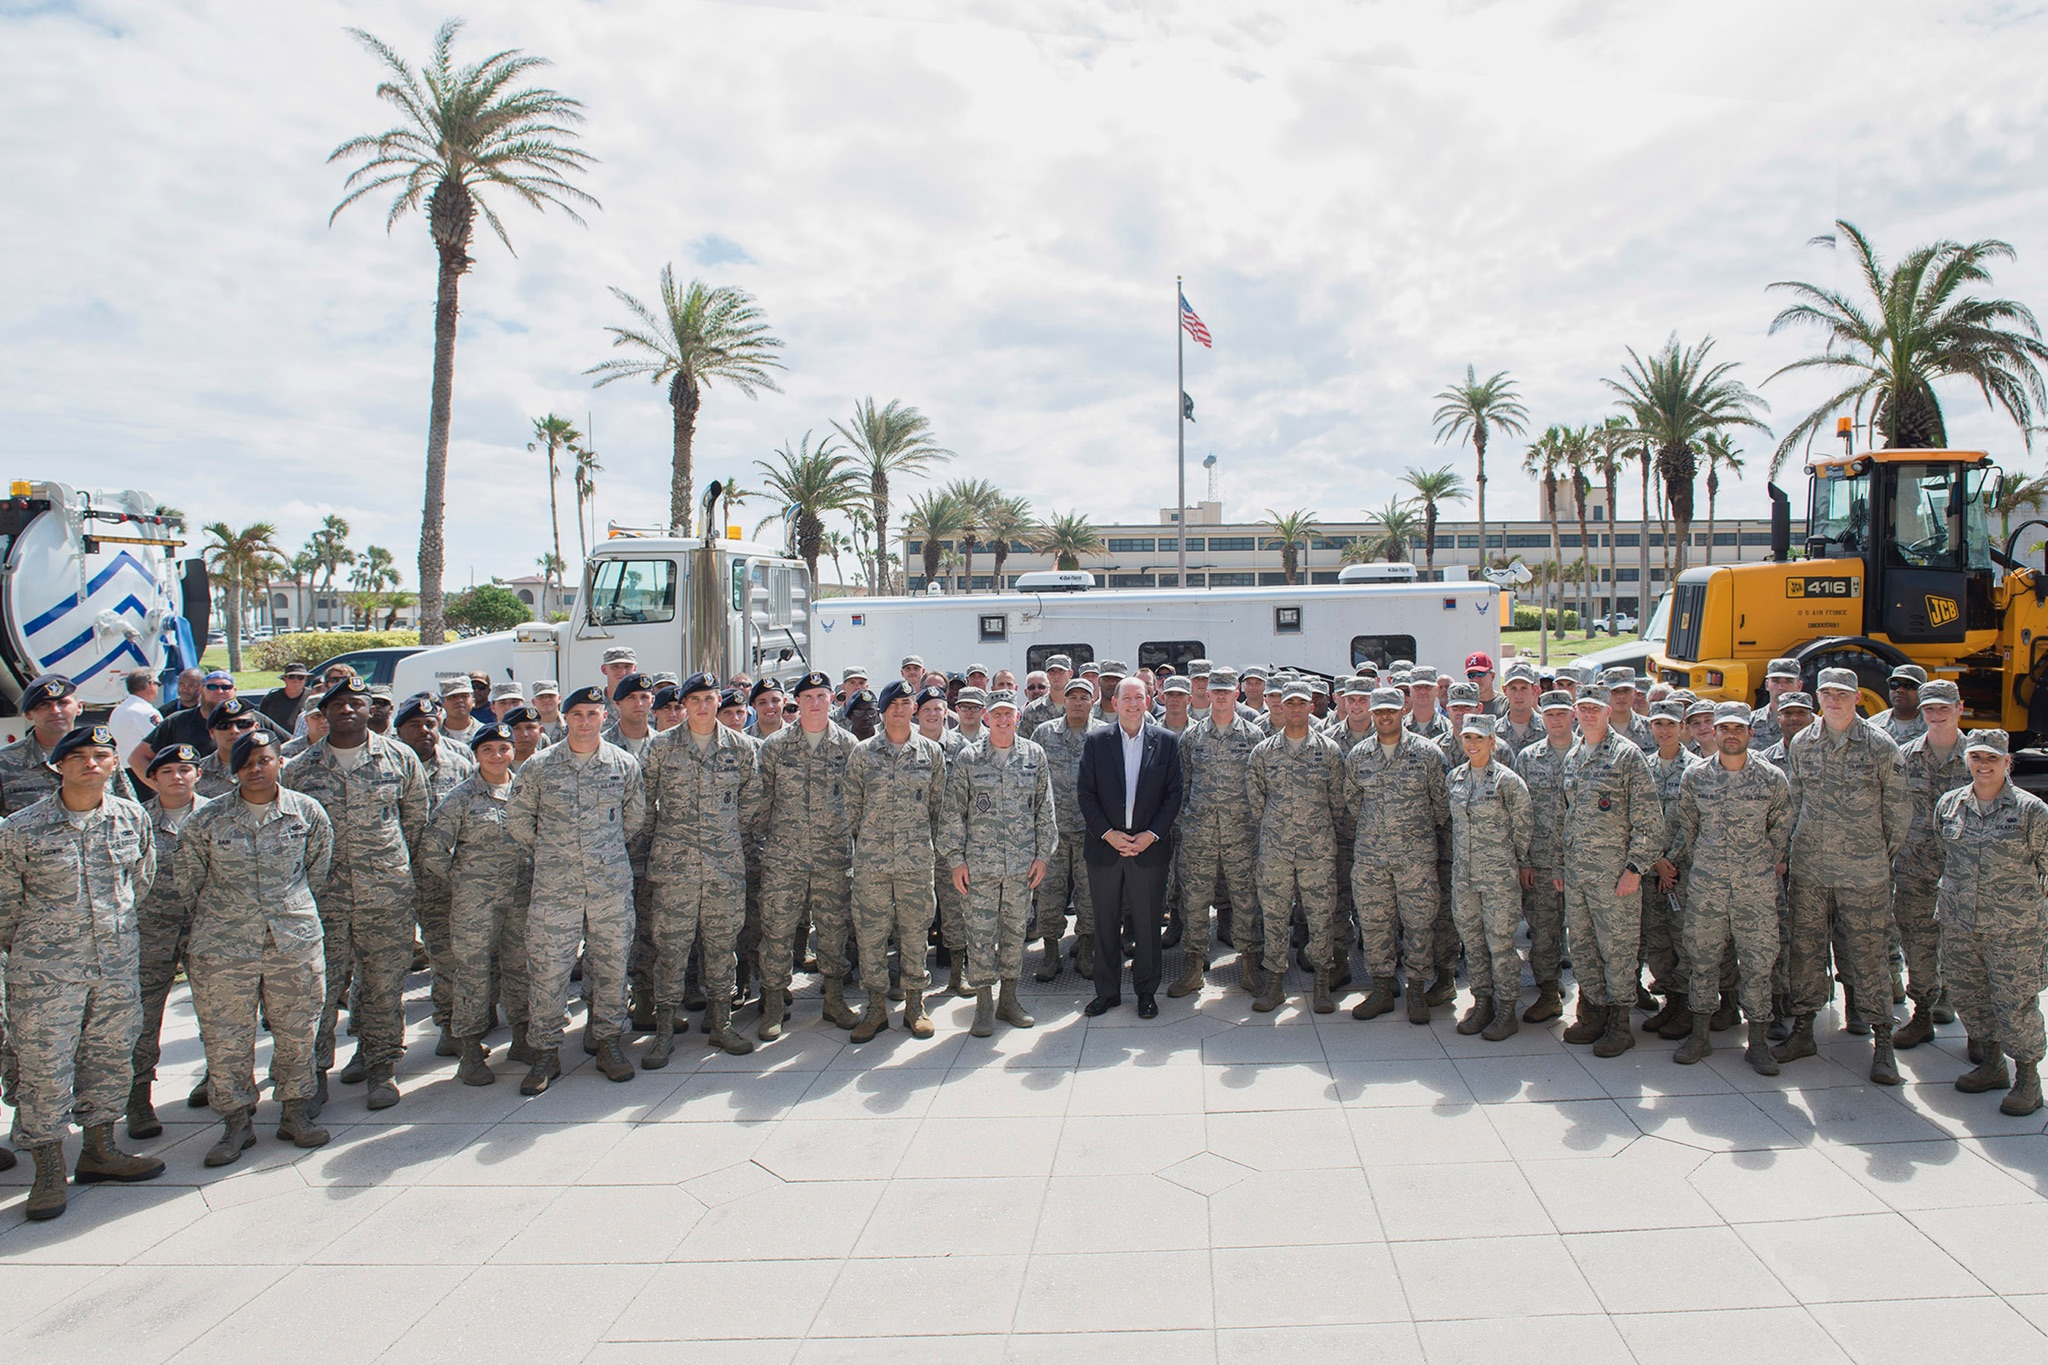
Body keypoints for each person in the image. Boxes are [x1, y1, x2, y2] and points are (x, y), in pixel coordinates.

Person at [0, 725, 161, 1220]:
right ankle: (48, 1169)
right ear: (58, 766)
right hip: (45, 973)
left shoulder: (132, 817)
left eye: (102, 755)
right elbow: (5, 904)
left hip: (113, 964)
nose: (92, 763)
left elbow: (141, 880)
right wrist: (39, 949)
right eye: (80, 756)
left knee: (109, 1056)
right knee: (45, 1068)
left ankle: (99, 1151)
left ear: (115, 764)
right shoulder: (21, 828)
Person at [178, 730, 334, 1166]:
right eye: (246, 761)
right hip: (224, 946)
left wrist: (288, 910)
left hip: (292, 941)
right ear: (233, 768)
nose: (256, 767)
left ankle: (295, 1112)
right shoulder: (207, 820)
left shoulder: (306, 813)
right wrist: (229, 917)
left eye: (265, 759)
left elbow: (316, 871)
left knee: (297, 1029)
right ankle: (235, 1122)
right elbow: (190, 882)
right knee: (227, 1037)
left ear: (280, 761)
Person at [280, 676, 429, 1114]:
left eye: (356, 703)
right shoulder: (299, 769)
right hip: (323, 901)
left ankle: (381, 1067)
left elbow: (416, 821)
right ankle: (314, 1075)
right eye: (337, 703)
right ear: (322, 714)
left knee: (383, 986)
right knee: (320, 991)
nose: (347, 709)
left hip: (386, 897)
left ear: (370, 710)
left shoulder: (399, 758)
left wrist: (400, 874)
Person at [504, 684, 645, 1094]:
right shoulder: (540, 766)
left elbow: (634, 820)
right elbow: (518, 819)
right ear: (566, 718)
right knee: (549, 971)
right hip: (555, 887)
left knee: (611, 966)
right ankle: (546, 1051)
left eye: (593, 713)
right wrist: (552, 852)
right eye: (578, 714)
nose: (585, 721)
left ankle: (607, 1043)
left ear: (606, 717)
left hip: (609, 886)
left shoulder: (622, 765)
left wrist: (604, 852)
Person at [1775, 667, 1910, 1080]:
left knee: (1868, 955)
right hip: (1811, 870)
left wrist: (1874, 856)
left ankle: (1882, 1038)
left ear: (1857, 699)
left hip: (1862, 874)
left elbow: (1898, 813)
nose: (1833, 700)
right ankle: (1804, 1028)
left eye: (1841, 694)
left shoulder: (1880, 746)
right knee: (1806, 952)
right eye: (1826, 693)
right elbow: (1793, 803)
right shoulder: (1803, 743)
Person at [638, 672, 761, 1062]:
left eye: (710, 699)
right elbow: (644, 807)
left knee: (722, 947)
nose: (704, 707)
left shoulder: (740, 748)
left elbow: (751, 802)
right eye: (695, 701)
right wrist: (666, 844)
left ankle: (721, 1024)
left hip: (724, 867)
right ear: (683, 706)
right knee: (671, 950)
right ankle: (663, 1031)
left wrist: (724, 836)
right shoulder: (661, 747)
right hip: (675, 870)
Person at [1668, 702, 1792, 1073]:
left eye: (1739, 729)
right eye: (1724, 729)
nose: (1731, 735)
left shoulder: (1771, 779)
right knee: (1702, 959)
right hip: (1707, 886)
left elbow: (1781, 829)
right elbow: (1689, 826)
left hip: (1755, 888)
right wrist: (1710, 862)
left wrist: (1754, 864)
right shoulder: (1696, 776)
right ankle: (1701, 1035)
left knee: (1758, 963)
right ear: (1715, 734)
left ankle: (1757, 1042)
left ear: (1751, 734)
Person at [1938, 729, 2048, 1116]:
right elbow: (1944, 854)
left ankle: (2028, 1078)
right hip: (1959, 922)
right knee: (1969, 996)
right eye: (1977, 757)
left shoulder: (2031, 810)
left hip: (2013, 929)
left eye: (1992, 758)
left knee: (2014, 1004)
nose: (1983, 765)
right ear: (1967, 760)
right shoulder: (1950, 805)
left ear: (2007, 762)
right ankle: (1992, 1063)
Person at [419, 722, 533, 1085]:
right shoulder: (461, 797)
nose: (497, 756)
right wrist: (464, 880)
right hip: (476, 904)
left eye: (504, 748)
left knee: (520, 969)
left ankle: (521, 1038)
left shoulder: (526, 790)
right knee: (472, 974)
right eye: (488, 750)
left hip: (520, 895)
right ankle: (469, 1049)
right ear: (476, 755)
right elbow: (433, 851)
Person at [1555, 685, 1664, 1059]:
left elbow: (1650, 822)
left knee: (1617, 950)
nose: (1587, 714)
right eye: (1582, 708)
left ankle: (1620, 1023)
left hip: (1614, 877)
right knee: (1583, 947)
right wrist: (1561, 866)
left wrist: (1635, 869)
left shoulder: (1627, 756)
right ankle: (1595, 1014)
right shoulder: (1573, 756)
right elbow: (1564, 817)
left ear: (1607, 711)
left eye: (1594, 708)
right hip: (1579, 876)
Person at [942, 690, 1056, 1037]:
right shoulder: (969, 758)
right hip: (980, 867)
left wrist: (1042, 855)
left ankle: (1009, 999)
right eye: (997, 715)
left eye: (1009, 714)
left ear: (1017, 718)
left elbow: (1044, 809)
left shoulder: (1033, 755)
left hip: (1021, 866)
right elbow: (952, 812)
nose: (1003, 720)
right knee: (979, 935)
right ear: (987, 718)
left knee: (1014, 933)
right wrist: (955, 861)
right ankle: (983, 1006)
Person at [754, 671, 859, 1039]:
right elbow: (760, 804)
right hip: (785, 857)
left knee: (833, 930)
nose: (816, 702)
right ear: (796, 702)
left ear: (832, 700)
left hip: (833, 856)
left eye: (822, 696)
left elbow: (857, 801)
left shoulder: (847, 746)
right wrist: (770, 846)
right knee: (778, 931)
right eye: (809, 696)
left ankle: (833, 999)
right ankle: (773, 1004)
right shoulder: (776, 746)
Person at [844, 681, 948, 1041]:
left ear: (914, 708)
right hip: (872, 863)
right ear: (883, 711)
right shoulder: (862, 753)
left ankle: (915, 1005)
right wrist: (870, 842)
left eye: (907, 703)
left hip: (916, 861)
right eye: (894, 705)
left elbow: (937, 808)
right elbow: (852, 810)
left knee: (915, 933)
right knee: (871, 935)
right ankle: (874, 1009)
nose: (901, 710)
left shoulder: (931, 753)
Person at [1076, 677, 1183, 1018]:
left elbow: (1173, 795)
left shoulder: (1166, 742)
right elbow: (1086, 794)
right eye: (1127, 698)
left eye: (1140, 697)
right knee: (1105, 923)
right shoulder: (1096, 741)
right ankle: (1107, 992)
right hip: (1106, 848)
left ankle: (1146, 992)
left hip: (1148, 849)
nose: (1133, 703)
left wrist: (1151, 835)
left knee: (1149, 924)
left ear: (1149, 701)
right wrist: (1108, 833)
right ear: (1115, 702)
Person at [1346, 687, 1451, 1023]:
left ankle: (1417, 989)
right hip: (1371, 858)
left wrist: (1412, 831)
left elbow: (1441, 805)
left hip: (1415, 858)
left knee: (1419, 923)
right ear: (1372, 715)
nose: (1385, 717)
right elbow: (1351, 803)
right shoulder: (1359, 756)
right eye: (1379, 712)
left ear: (1403, 711)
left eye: (1391, 711)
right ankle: (1381, 988)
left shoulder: (1427, 754)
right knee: (1375, 924)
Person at [125, 744, 213, 1141]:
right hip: (151, 931)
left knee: (217, 1011)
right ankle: (138, 1099)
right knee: (141, 1020)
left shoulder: (217, 814)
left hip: (206, 928)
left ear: (197, 773)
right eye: (167, 771)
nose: (177, 777)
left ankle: (218, 1079)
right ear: (152, 778)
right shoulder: (134, 820)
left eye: (185, 769)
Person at [1246, 680, 1345, 1014]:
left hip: (1317, 849)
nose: (1296, 709)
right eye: (1290, 704)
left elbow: (1338, 800)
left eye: (1302, 704)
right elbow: (1256, 799)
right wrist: (1279, 828)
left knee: (1320, 917)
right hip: (1275, 849)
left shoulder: (1328, 751)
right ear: (1281, 707)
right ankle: (1274, 982)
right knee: (1274, 915)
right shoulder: (1263, 752)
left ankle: (1321, 983)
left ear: (1311, 707)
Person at [394, 694, 475, 1054]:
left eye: (430, 724)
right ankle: (376, 1046)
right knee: (383, 968)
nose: (425, 731)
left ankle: (451, 1027)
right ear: (400, 730)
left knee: (447, 958)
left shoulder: (460, 763)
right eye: (415, 725)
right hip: (389, 880)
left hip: (441, 880)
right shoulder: (388, 764)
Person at [1445, 715, 1532, 1039]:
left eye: (1479, 738)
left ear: (1493, 742)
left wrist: (1519, 862)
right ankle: (1483, 1003)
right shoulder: (1454, 778)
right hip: (1465, 878)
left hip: (1498, 879)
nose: (1472, 744)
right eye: (1467, 737)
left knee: (1501, 945)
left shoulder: (1507, 782)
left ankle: (1506, 1009)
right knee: (1474, 944)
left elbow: (1523, 827)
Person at [1891, 680, 1968, 1048]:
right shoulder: (1904, 757)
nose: (1936, 716)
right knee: (1917, 941)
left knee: (1964, 946)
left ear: (1959, 708)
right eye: (1929, 709)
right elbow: (1890, 808)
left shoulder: (1979, 758)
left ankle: (1970, 1019)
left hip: (1961, 873)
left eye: (1944, 708)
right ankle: (1922, 1012)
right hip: (1914, 869)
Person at [1032, 678, 1104, 982]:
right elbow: (1032, 779)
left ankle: (1086, 950)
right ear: (1064, 701)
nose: (1077, 702)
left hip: (1092, 830)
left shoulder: (1104, 735)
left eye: (1083, 697)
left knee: (1090, 894)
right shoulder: (1044, 733)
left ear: (1092, 701)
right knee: (1050, 892)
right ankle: (1050, 954)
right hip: (1053, 831)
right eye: (1071, 697)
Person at [0, 673, 84, 815]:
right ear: (28, 714)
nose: (55, 711)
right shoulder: (5, 762)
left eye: (63, 703)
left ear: (80, 707)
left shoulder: (100, 755)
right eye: (43, 705)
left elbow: (128, 813)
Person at [109, 669, 164, 769]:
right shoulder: (147, 712)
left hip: (121, 767)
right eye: (158, 684)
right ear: (151, 684)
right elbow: (161, 743)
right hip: (141, 769)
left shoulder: (119, 709)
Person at [1748, 658, 1803, 751]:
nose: (1781, 687)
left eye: (1788, 681)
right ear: (1767, 685)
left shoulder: (1811, 724)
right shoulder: (1749, 722)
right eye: (1776, 681)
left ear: (1799, 686)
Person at [1871, 664, 1928, 745]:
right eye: (1894, 684)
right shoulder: (1873, 726)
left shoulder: (1934, 726)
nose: (1900, 690)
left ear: (1923, 692)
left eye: (1909, 685)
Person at [257, 662, 312, 732]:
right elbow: (261, 722)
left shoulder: (312, 697)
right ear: (284, 679)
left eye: (300, 677)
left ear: (305, 679)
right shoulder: (270, 699)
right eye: (291, 677)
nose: (296, 680)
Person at [531, 680, 566, 744]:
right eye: (541, 697)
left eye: (551, 696)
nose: (546, 700)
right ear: (533, 702)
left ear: (559, 699)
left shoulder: (569, 722)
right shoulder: (529, 727)